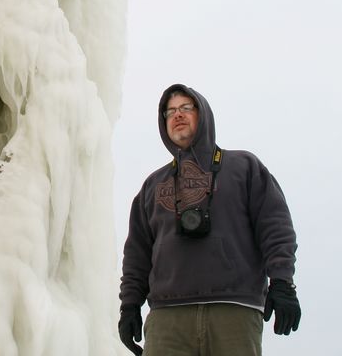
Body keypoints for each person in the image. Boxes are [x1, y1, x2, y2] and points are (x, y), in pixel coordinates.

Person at [118, 84, 300, 355]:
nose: (177, 115)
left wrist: (283, 283)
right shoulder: (153, 186)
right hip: (168, 318)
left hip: (233, 311)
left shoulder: (244, 168)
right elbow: (137, 252)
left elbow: (275, 227)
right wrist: (130, 305)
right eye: (170, 112)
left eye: (185, 108)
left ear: (202, 114)